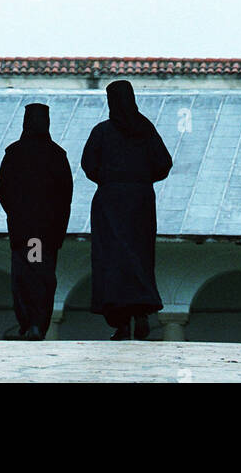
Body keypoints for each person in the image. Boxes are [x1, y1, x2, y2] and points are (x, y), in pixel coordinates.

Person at [81, 79, 173, 340]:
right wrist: (140, 179)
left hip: (110, 203)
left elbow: (88, 164)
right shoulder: (145, 130)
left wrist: (110, 179)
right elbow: (164, 164)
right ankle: (140, 313)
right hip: (141, 202)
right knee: (139, 257)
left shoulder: (102, 131)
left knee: (112, 261)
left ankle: (120, 322)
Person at [0, 102, 73, 340]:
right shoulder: (56, 154)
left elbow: (3, 191)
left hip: (24, 230)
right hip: (45, 232)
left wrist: (18, 214)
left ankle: (28, 323)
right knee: (41, 276)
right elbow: (66, 195)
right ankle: (38, 324)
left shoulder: (15, 153)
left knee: (24, 277)